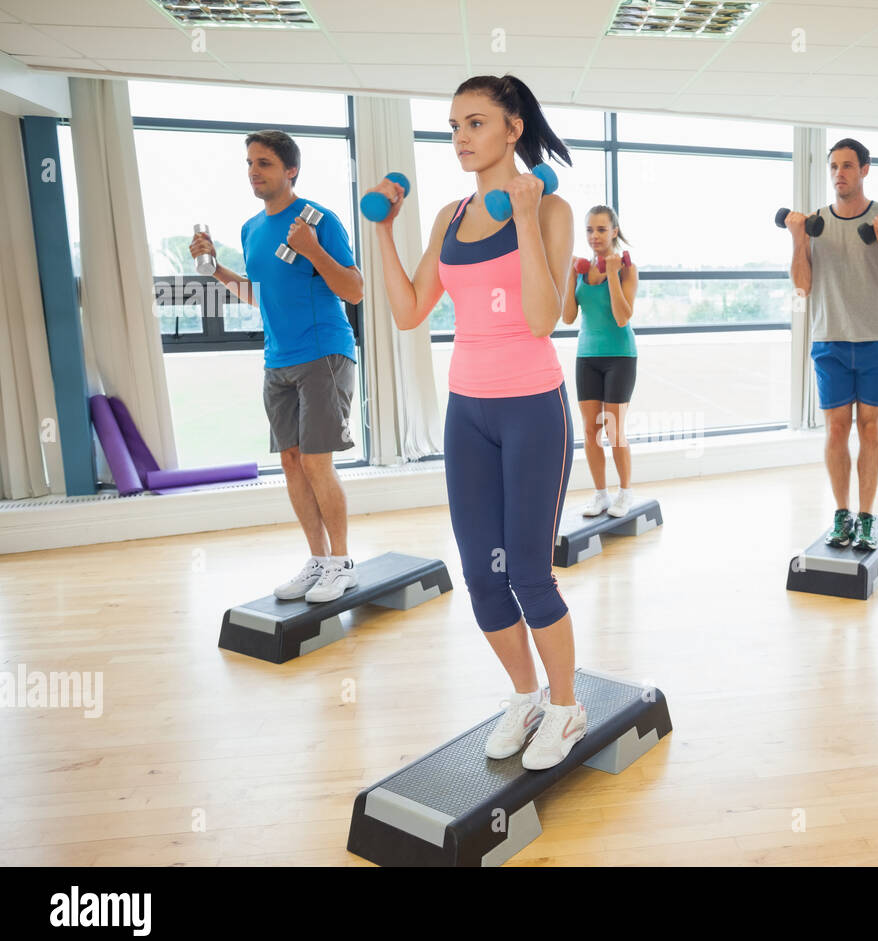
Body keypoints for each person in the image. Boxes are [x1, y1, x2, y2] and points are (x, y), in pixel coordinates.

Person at [366, 74, 584, 771]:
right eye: (454, 124)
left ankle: (565, 705)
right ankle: (523, 695)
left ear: (514, 129)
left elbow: (543, 319)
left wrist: (523, 215)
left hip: (532, 409)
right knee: (482, 575)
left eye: (476, 123)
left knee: (528, 571)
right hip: (468, 412)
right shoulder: (450, 216)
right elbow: (407, 312)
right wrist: (382, 230)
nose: (460, 137)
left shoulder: (550, 209)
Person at [190, 130, 364, 604]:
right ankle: (318, 560)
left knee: (315, 461)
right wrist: (216, 269)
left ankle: (342, 563)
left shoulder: (318, 220)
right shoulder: (251, 230)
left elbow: (354, 289)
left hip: (324, 353)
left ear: (290, 170)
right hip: (277, 361)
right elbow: (259, 296)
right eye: (249, 163)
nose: (253, 171)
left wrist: (312, 249)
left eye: (264, 163)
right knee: (290, 463)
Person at [788, 138, 878, 551]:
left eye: (847, 166)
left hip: (876, 339)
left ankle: (867, 517)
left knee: (871, 429)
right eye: (834, 167)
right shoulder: (815, 222)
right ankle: (842, 516)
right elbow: (803, 286)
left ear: (865, 170)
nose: (839, 174)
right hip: (830, 340)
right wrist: (798, 240)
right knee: (837, 430)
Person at [561, 206, 639, 518]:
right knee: (590, 431)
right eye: (590, 230)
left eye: (602, 230)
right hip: (587, 356)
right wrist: (569, 277)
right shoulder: (580, 270)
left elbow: (622, 318)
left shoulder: (627, 269)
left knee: (614, 429)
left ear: (614, 231)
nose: (595, 236)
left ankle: (625, 492)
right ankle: (600, 494)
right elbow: (567, 317)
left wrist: (611, 274)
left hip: (620, 355)